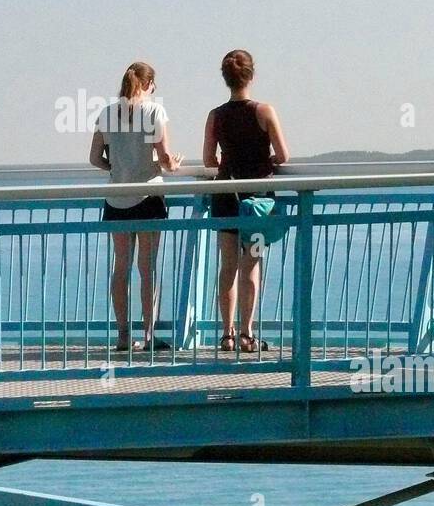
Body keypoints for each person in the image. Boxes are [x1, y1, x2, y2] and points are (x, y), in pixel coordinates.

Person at [90, 61, 183, 351]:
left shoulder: (107, 113)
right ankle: (148, 335)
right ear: (148, 84)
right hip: (149, 197)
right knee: (148, 268)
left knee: (121, 267)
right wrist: (173, 166)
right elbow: (164, 157)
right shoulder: (154, 111)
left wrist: (116, 168)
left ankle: (122, 335)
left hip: (116, 198)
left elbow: (94, 158)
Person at [202, 49, 290, 353]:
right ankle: (246, 333)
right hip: (257, 199)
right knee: (250, 264)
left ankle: (226, 334)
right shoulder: (264, 112)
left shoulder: (216, 116)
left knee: (227, 265)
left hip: (226, 195)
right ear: (251, 75)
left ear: (225, 79)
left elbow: (207, 159)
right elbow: (283, 155)